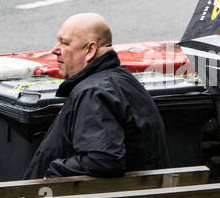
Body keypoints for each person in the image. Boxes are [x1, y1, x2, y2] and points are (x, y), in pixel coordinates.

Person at [24, 13, 170, 178]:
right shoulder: (122, 81)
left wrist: (52, 173)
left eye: (64, 43)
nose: (55, 50)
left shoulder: (94, 92)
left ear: (90, 50)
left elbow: (103, 160)